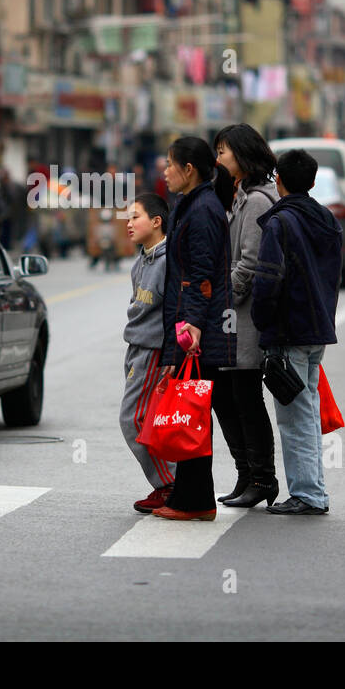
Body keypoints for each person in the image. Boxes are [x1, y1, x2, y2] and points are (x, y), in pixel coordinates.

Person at [251, 149, 342, 515]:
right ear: (314, 182)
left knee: (296, 418)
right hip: (318, 328)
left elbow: (268, 281)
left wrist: (262, 322)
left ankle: (308, 494)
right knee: (306, 412)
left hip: (289, 332)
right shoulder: (327, 219)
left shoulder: (281, 223)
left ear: (279, 181)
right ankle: (312, 490)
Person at [152, 137, 234, 521]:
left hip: (199, 331)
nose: (164, 171)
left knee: (192, 413)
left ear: (189, 170)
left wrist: (190, 330)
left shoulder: (202, 210)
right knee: (193, 412)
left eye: (170, 164)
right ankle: (190, 496)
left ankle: (196, 501)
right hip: (192, 324)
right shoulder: (192, 204)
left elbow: (200, 278)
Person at [212, 125, 280, 508]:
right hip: (233, 320)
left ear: (243, 155)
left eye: (223, 152)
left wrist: (222, 298)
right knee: (228, 396)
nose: (218, 159)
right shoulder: (241, 196)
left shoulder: (256, 200)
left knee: (246, 398)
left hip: (245, 320)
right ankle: (245, 475)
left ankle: (263, 479)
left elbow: (250, 264)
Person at [121, 193, 177, 513]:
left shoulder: (168, 260)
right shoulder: (142, 260)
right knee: (148, 419)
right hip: (136, 347)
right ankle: (169, 483)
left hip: (154, 351)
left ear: (156, 222)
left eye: (135, 217)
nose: (129, 224)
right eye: (128, 218)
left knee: (134, 419)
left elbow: (172, 312)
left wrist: (169, 354)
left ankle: (169, 483)